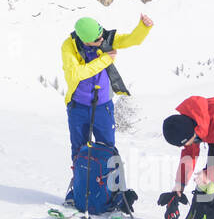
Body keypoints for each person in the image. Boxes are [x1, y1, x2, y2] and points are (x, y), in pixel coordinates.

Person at [60, 13, 153, 207]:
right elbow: (77, 74)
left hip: (103, 106)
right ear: (85, 40)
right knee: (78, 150)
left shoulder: (105, 37)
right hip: (78, 106)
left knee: (108, 149)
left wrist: (143, 28)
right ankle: (79, 188)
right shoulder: (68, 47)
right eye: (97, 39)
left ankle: (113, 193)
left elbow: (130, 40)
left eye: (101, 34)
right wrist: (105, 60)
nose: (102, 39)